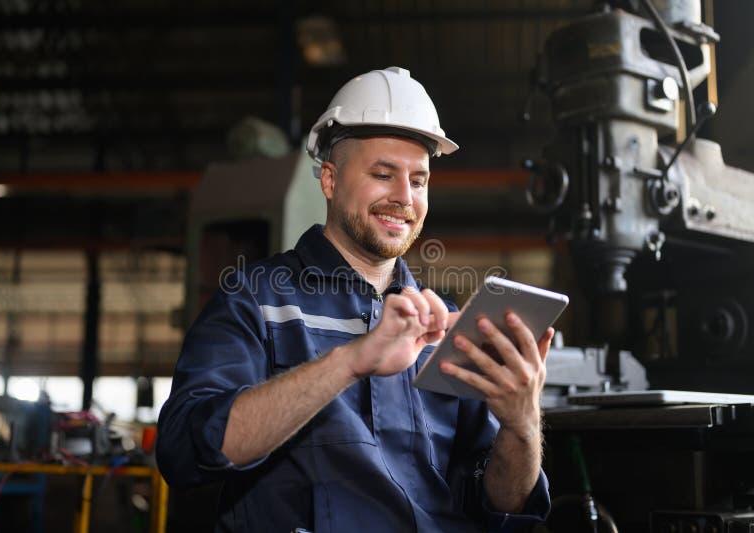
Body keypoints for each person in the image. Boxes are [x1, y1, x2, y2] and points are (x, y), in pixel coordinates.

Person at [157, 66, 554, 532]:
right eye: (383, 174)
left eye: (419, 180)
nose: (404, 197)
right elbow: (186, 451)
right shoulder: (255, 300)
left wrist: (522, 425)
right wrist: (351, 360)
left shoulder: (444, 324)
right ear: (329, 180)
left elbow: (499, 504)